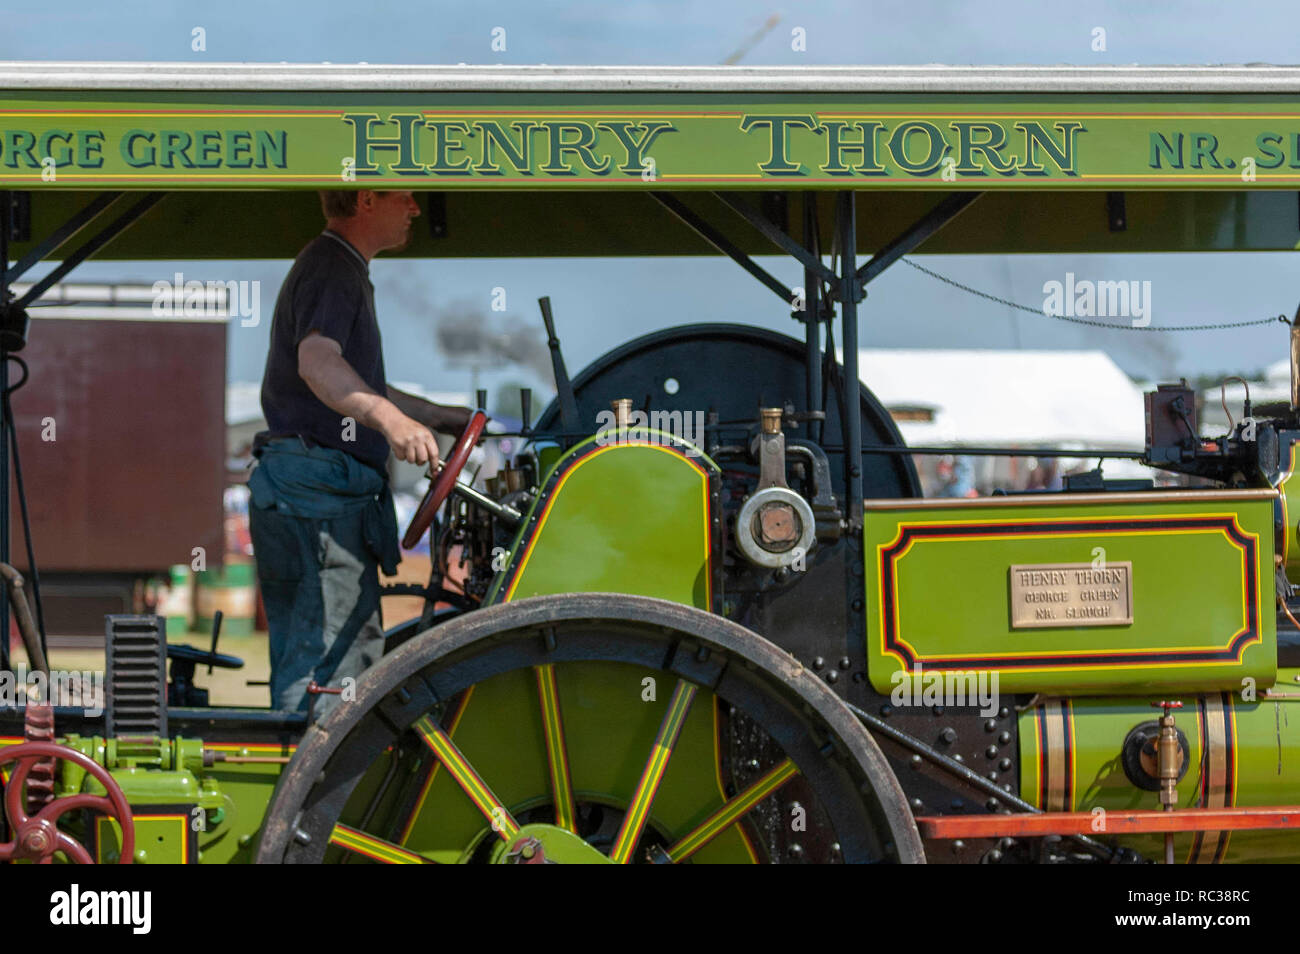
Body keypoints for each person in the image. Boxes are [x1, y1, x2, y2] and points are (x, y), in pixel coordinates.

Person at [248, 189, 472, 718]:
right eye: (406, 197)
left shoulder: (332, 265)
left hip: (298, 487)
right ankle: (315, 799)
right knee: (331, 674)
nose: (416, 208)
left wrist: (437, 416)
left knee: (317, 659)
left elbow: (351, 382)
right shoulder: (333, 268)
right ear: (367, 199)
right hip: (317, 497)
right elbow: (318, 363)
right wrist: (392, 422)